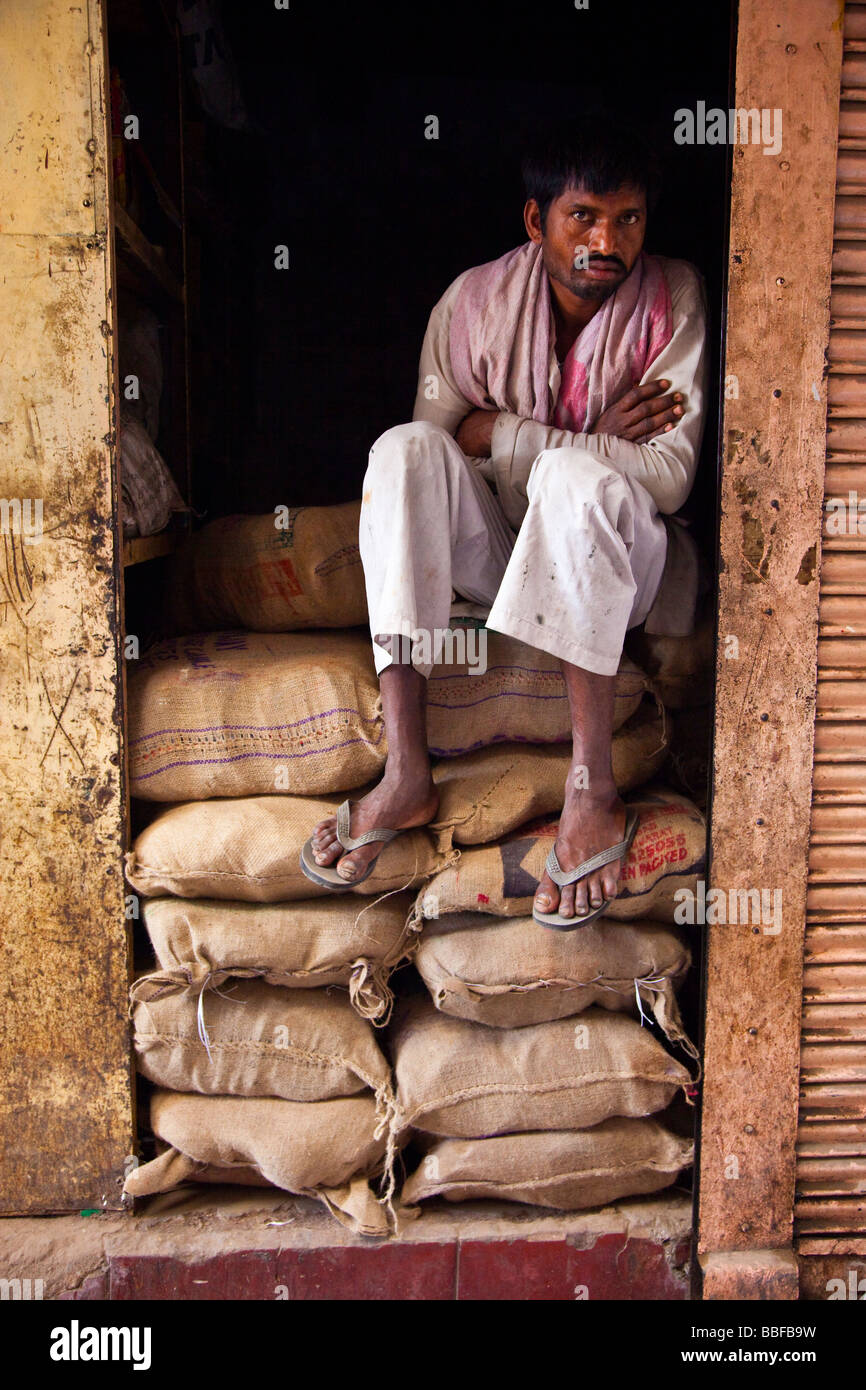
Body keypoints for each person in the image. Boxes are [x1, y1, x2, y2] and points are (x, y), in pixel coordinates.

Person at [301, 120, 708, 928]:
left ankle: (591, 787)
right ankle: (406, 771)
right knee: (401, 451)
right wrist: (594, 437)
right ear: (535, 221)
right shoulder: (473, 302)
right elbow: (443, 440)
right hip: (500, 553)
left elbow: (667, 475)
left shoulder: (673, 297)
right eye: (584, 217)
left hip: (626, 566)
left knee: (570, 477)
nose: (608, 240)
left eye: (628, 219)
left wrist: (514, 436)